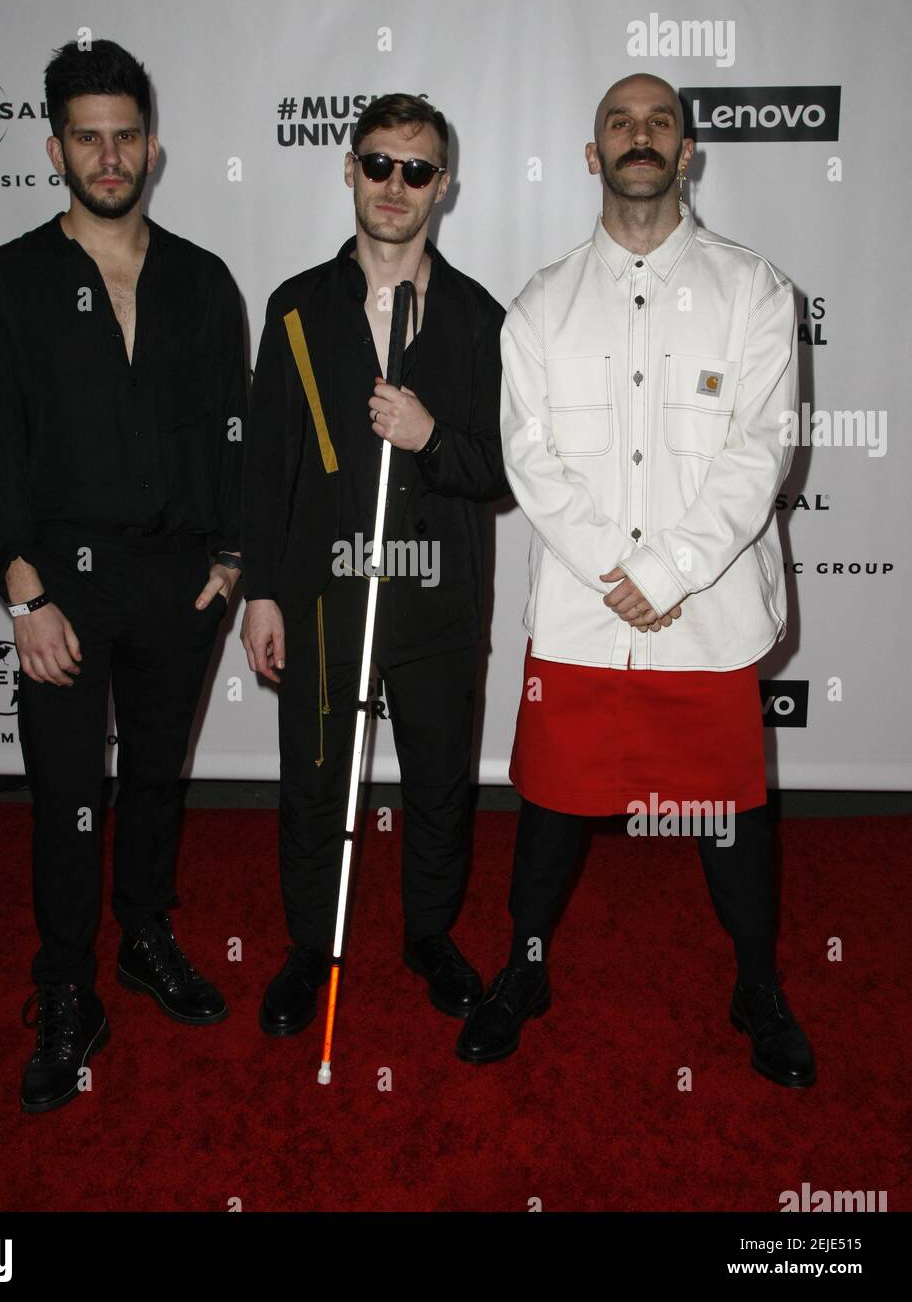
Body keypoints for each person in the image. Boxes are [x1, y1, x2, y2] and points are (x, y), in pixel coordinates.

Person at [462, 73, 816, 1088]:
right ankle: (525, 972)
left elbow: (760, 452)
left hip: (704, 616)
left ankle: (758, 986)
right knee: (550, 806)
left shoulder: (754, 289)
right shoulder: (537, 305)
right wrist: (621, 575)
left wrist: (667, 571)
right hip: (582, 618)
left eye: (660, 122)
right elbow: (529, 460)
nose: (640, 137)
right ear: (591, 154)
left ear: (688, 150)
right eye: (619, 122)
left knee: (726, 814)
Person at [0, 39, 247, 1113]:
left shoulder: (203, 280)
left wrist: (229, 559)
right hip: (62, 590)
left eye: (126, 135)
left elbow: (231, 433)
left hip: (179, 580)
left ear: (154, 147)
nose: (110, 154)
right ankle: (68, 986)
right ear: (54, 148)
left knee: (159, 779)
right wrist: (24, 592)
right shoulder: (4, 282)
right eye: (89, 136)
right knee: (67, 796)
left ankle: (147, 940)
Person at [241, 93, 508, 1037]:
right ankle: (311, 945)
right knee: (315, 776)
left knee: (439, 776)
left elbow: (506, 470)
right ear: (349, 170)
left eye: (418, 170)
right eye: (379, 165)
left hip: (437, 589)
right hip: (320, 593)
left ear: (445, 187)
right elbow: (266, 460)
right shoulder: (295, 308)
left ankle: (427, 935)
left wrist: (431, 434)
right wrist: (261, 588)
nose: (396, 185)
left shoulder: (479, 318)